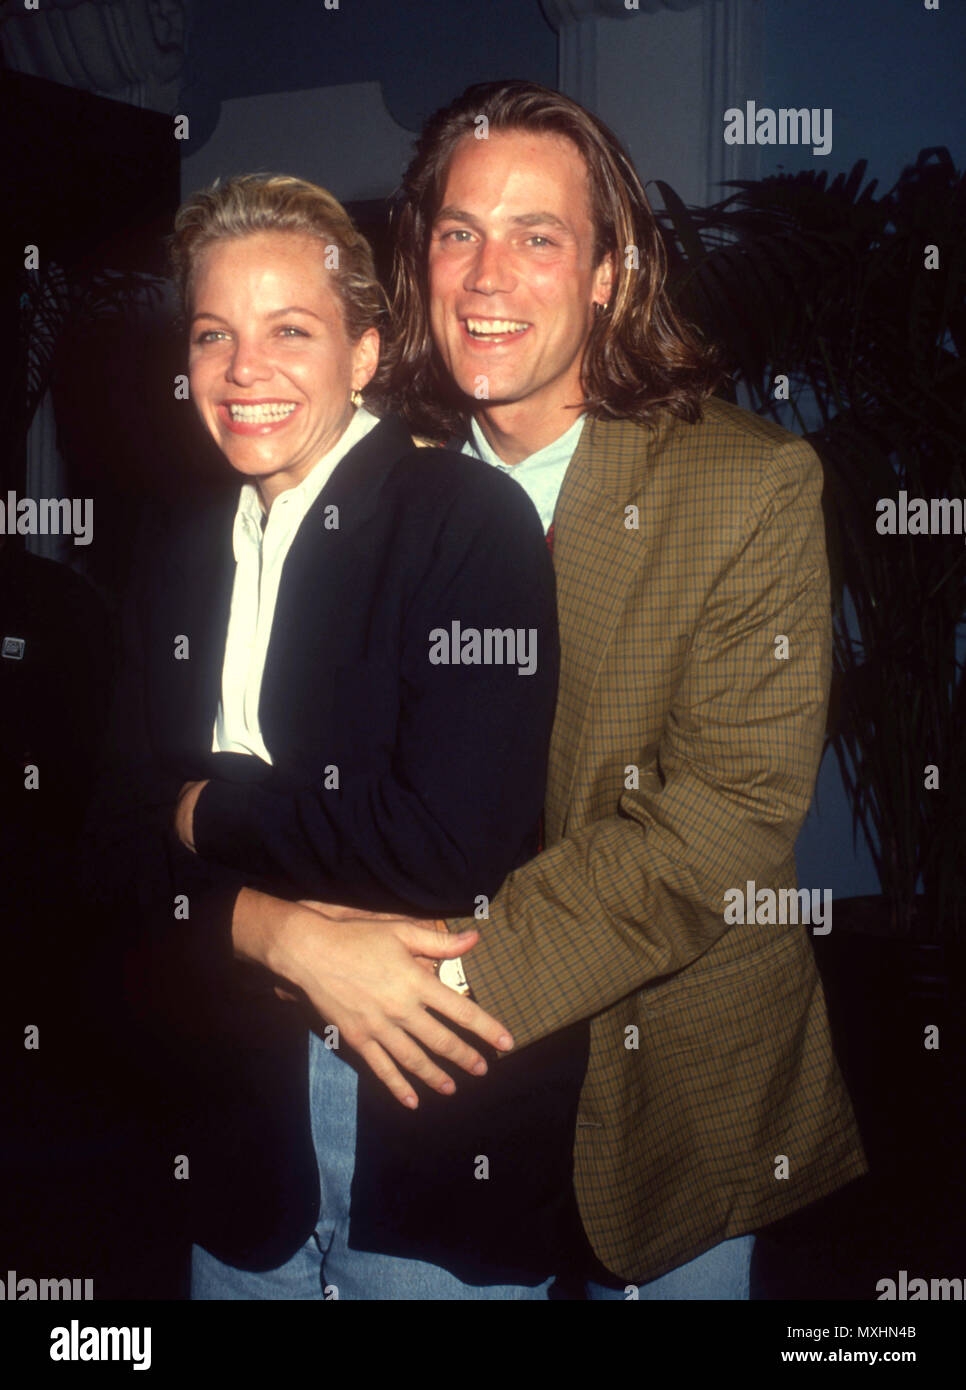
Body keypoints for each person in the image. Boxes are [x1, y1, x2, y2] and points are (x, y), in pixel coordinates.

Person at [261, 80, 868, 1299]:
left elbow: (723, 826)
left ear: (607, 273)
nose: (489, 279)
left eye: (539, 238)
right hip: (424, 1113)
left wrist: (429, 983)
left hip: (664, 1071)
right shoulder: (354, 478)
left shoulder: (745, 488)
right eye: (458, 232)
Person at [89, 172, 590, 1299]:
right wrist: (273, 931)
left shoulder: (463, 521)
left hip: (430, 1137)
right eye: (214, 333)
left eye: (290, 331)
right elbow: (107, 858)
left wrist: (209, 806)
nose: (243, 370)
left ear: (364, 354)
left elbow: (447, 843)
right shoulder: (171, 554)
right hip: (234, 1143)